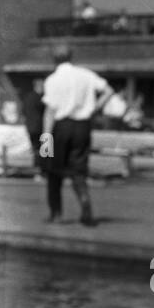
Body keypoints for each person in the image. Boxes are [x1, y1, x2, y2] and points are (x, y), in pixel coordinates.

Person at [41, 44, 113, 226]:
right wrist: (94, 109)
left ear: (53, 59)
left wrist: (45, 143)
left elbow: (50, 112)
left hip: (61, 126)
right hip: (83, 125)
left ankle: (56, 213)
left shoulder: (52, 79)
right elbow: (108, 91)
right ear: (71, 57)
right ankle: (84, 200)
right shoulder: (86, 74)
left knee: (53, 171)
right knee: (79, 169)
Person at [21, 79, 44, 175]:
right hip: (41, 127)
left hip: (30, 127)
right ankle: (42, 170)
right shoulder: (41, 98)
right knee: (45, 149)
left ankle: (37, 169)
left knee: (36, 148)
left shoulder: (27, 97)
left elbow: (23, 112)